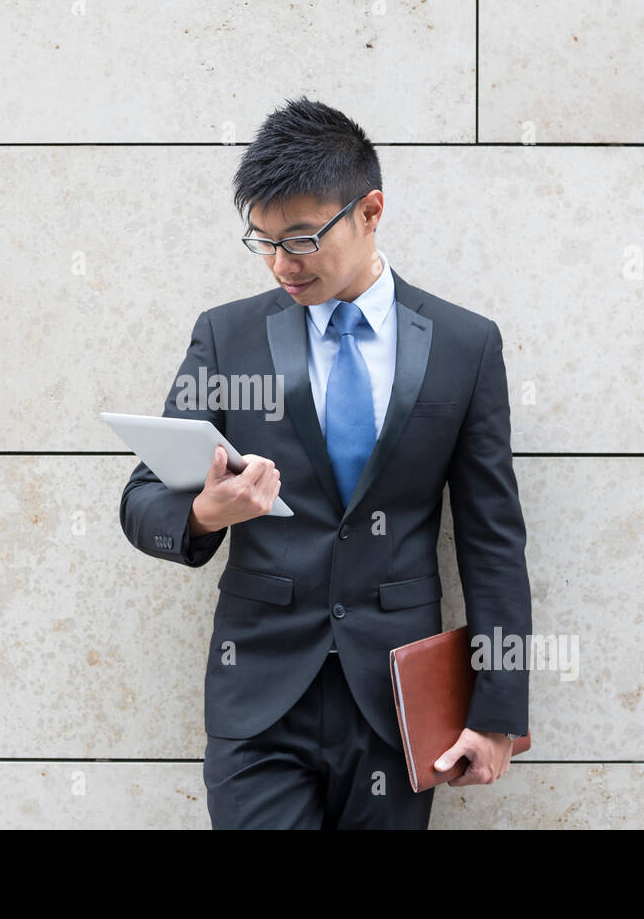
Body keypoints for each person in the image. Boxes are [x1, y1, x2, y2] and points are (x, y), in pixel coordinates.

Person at [118, 96, 532, 829]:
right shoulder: (227, 337)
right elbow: (144, 497)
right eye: (264, 241)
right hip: (258, 700)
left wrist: (499, 709)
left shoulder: (465, 346)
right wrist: (204, 512)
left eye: (302, 238)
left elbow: (492, 539)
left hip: (397, 705)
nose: (281, 263)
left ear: (370, 212)